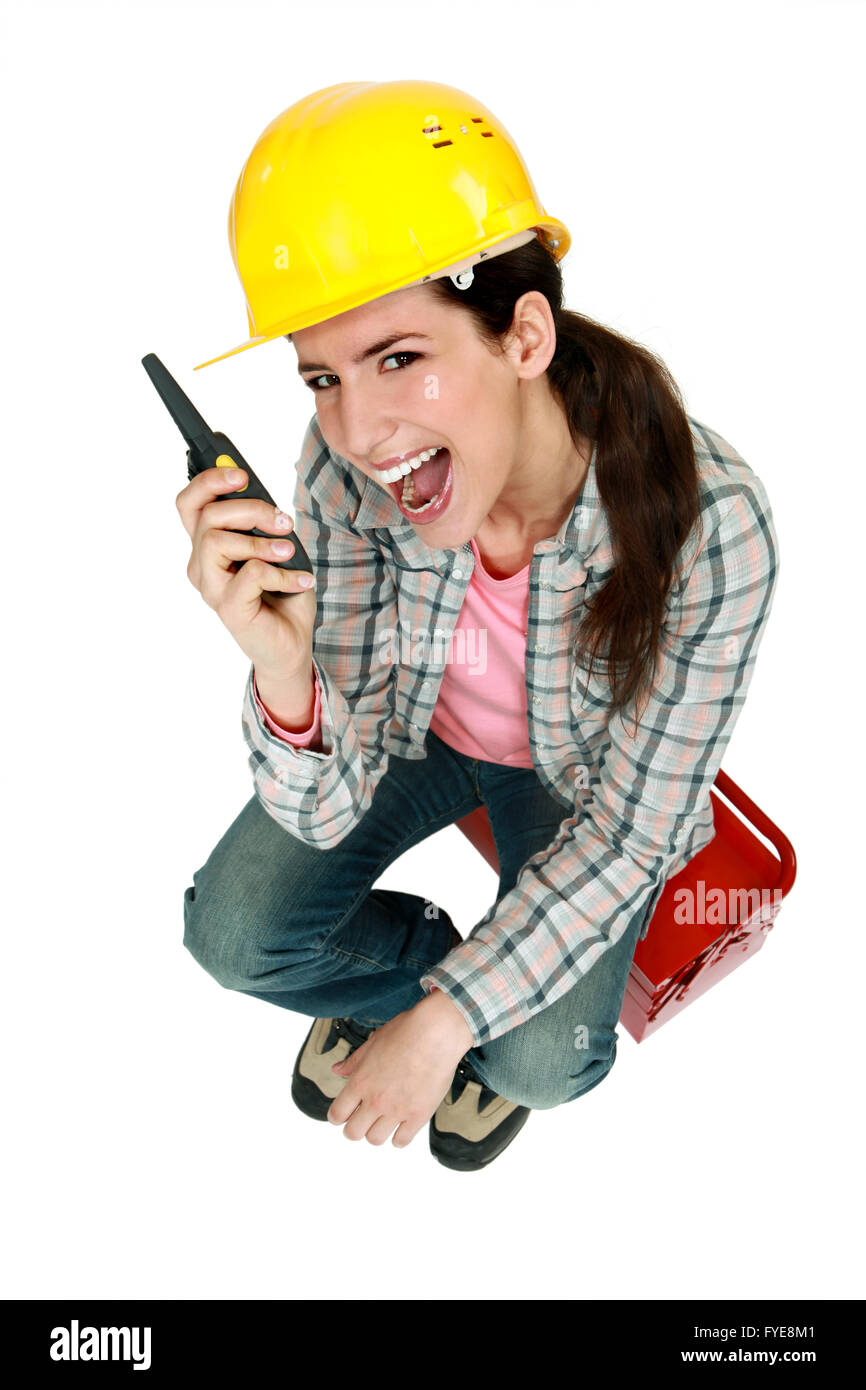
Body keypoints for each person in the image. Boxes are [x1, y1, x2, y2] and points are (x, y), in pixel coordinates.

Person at [178, 80, 779, 1171]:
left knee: (537, 1063)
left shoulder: (714, 525)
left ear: (524, 335)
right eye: (323, 375)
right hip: (414, 731)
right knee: (230, 935)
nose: (358, 430)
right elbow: (331, 796)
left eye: (399, 357)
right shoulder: (350, 473)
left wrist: (445, 1026)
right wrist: (286, 677)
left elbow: (635, 834)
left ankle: (463, 1008)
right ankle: (435, 975)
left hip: (579, 785)